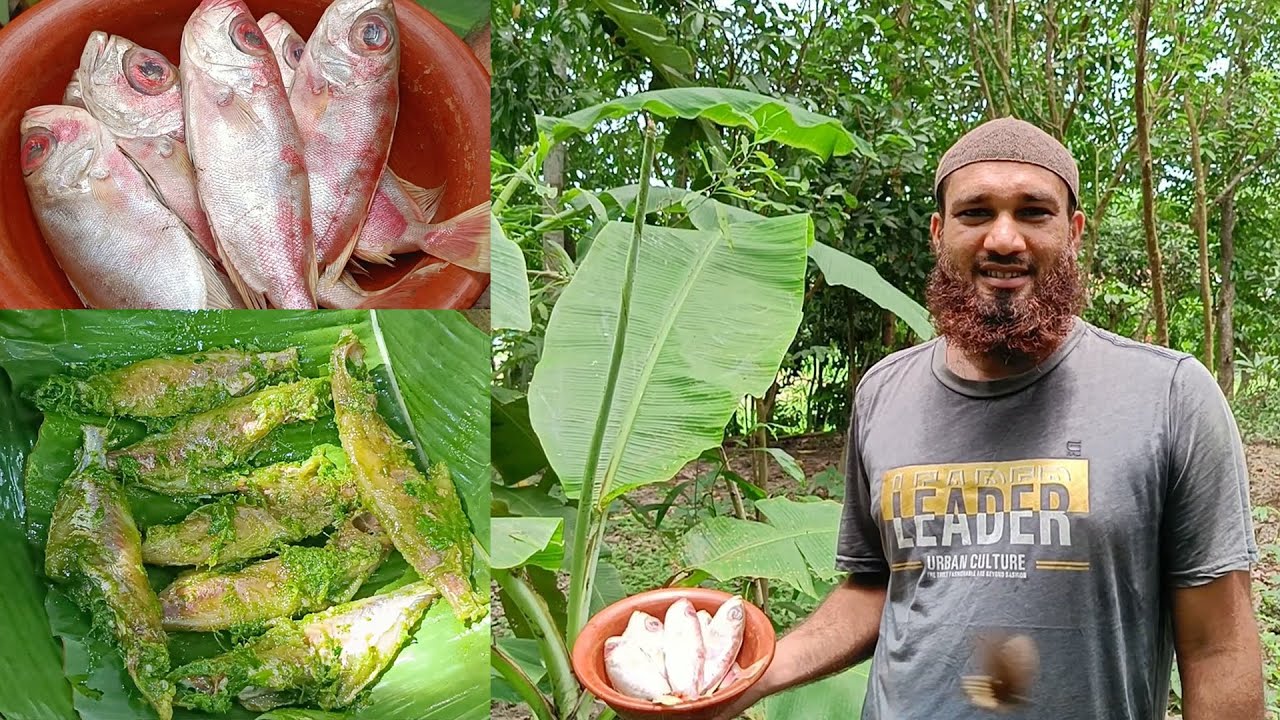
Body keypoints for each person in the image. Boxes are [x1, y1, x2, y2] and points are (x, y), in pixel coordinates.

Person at [713, 117, 1265, 719]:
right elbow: (874, 587)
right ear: (938, 233)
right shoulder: (883, 393)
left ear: (1074, 232)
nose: (1003, 239)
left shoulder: (1169, 395)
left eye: (1034, 212)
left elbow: (1217, 646)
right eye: (975, 213)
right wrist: (753, 676)